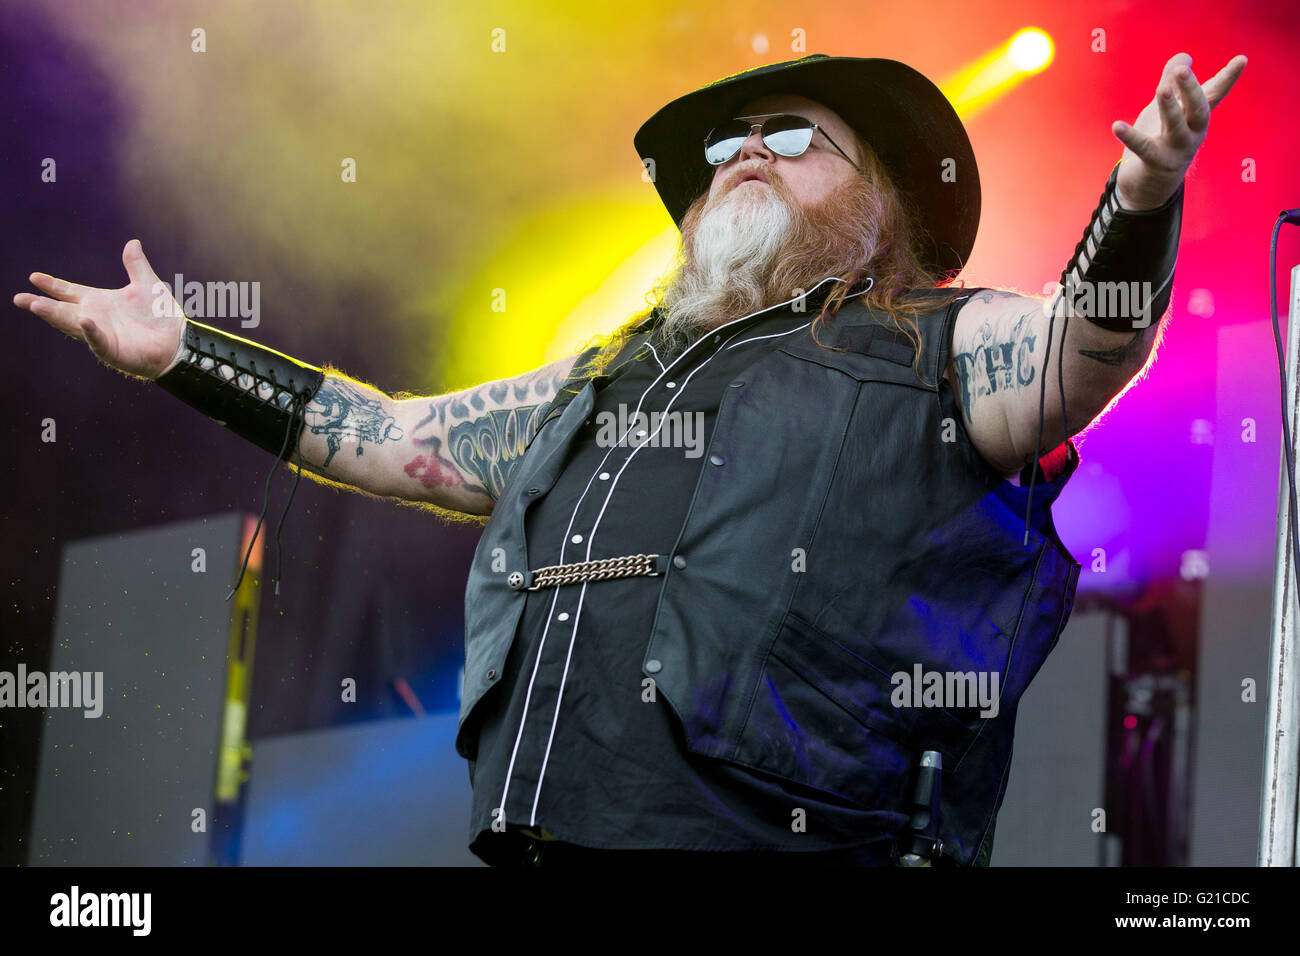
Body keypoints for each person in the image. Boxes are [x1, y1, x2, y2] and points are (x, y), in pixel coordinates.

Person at [13, 52, 1245, 867]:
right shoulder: (603, 376)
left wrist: (1139, 196)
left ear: (882, 203)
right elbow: (389, 437)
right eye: (726, 146)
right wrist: (185, 354)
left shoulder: (933, 341)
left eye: (791, 134)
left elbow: (1086, 346)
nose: (744, 152)